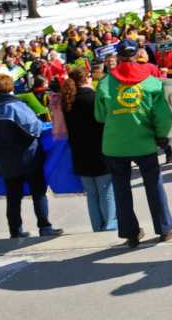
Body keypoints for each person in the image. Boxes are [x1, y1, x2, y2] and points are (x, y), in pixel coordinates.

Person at [96, 42, 172, 248]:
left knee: (121, 188)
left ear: (117, 57)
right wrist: (162, 137)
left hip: (115, 145)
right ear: (137, 55)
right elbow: (162, 116)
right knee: (153, 185)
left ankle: (130, 233)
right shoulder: (152, 83)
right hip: (143, 142)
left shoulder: (104, 83)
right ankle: (164, 226)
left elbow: (100, 116)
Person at [0, 73, 63, 238]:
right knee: (38, 192)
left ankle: (15, 230)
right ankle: (45, 227)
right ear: (10, 87)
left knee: (13, 196)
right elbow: (35, 128)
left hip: (4, 161)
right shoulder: (16, 106)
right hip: (28, 157)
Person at [63, 67, 117, 232]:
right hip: (99, 149)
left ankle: (97, 227)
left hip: (79, 152)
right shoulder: (94, 98)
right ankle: (109, 225)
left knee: (91, 194)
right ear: (87, 78)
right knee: (106, 191)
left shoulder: (67, 101)